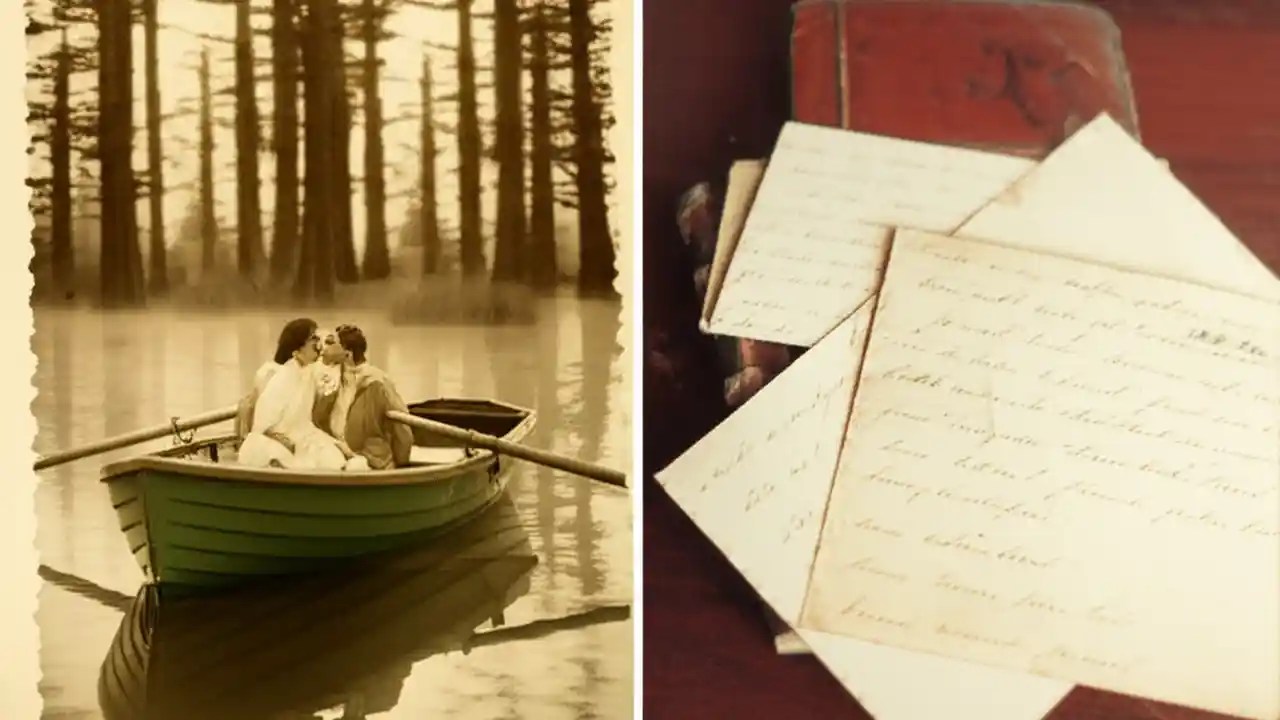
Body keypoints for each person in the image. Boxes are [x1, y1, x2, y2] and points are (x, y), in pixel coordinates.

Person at [238, 318, 351, 470]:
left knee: (337, 458)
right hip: (275, 440)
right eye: (314, 339)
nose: (319, 345)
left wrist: (336, 444)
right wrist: (287, 443)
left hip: (302, 436)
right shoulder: (281, 376)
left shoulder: (308, 372)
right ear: (297, 350)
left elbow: (306, 422)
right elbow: (263, 425)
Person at [313, 324, 414, 470]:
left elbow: (402, 429)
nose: (323, 348)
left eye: (330, 343)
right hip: (336, 452)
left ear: (348, 353)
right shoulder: (331, 378)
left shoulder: (378, 383)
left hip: (369, 458)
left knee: (354, 467)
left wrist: (401, 466)